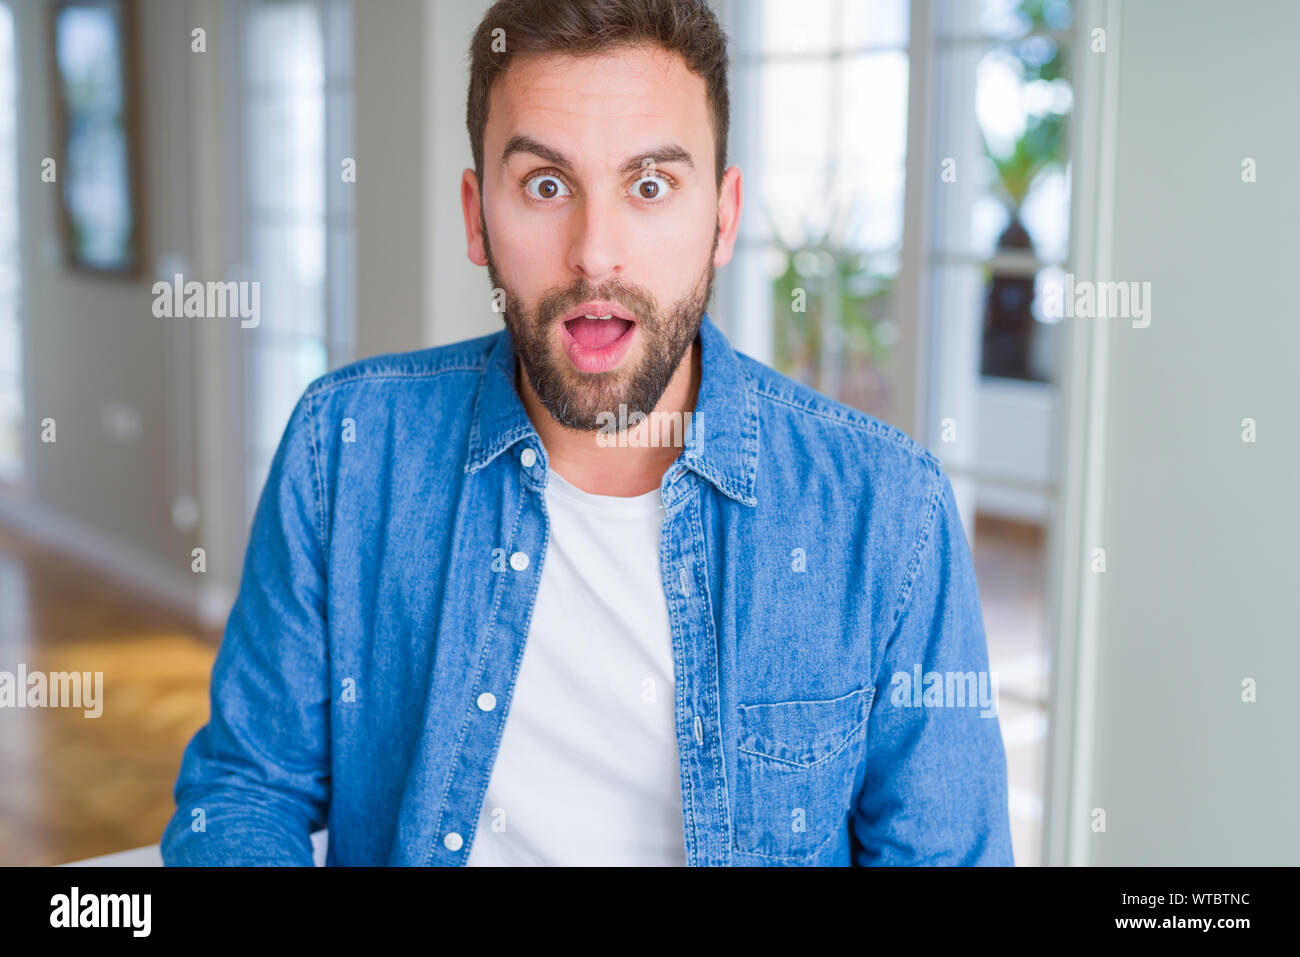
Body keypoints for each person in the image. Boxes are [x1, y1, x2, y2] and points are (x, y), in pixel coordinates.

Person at [162, 0, 1014, 867]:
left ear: (723, 218)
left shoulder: (888, 510)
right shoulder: (341, 450)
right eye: (545, 185)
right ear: (476, 216)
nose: (595, 252)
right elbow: (243, 790)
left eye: (649, 186)